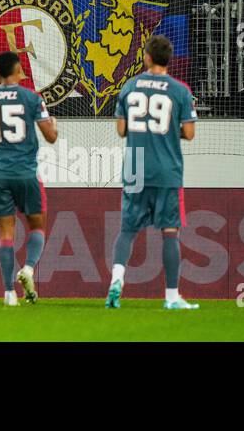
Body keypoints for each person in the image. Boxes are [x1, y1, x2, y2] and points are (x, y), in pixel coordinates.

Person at [106, 34, 199, 311]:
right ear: (168, 59)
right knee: (170, 232)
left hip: (135, 164)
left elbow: (121, 130)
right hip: (166, 168)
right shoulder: (180, 90)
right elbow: (190, 133)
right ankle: (171, 296)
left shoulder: (130, 86)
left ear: (146, 57)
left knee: (127, 230)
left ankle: (117, 280)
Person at [0, 51, 57, 306]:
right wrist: (54, 124)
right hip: (26, 173)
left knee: (6, 234)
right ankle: (28, 268)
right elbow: (51, 137)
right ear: (19, 69)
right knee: (37, 227)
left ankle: (9, 293)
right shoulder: (32, 98)